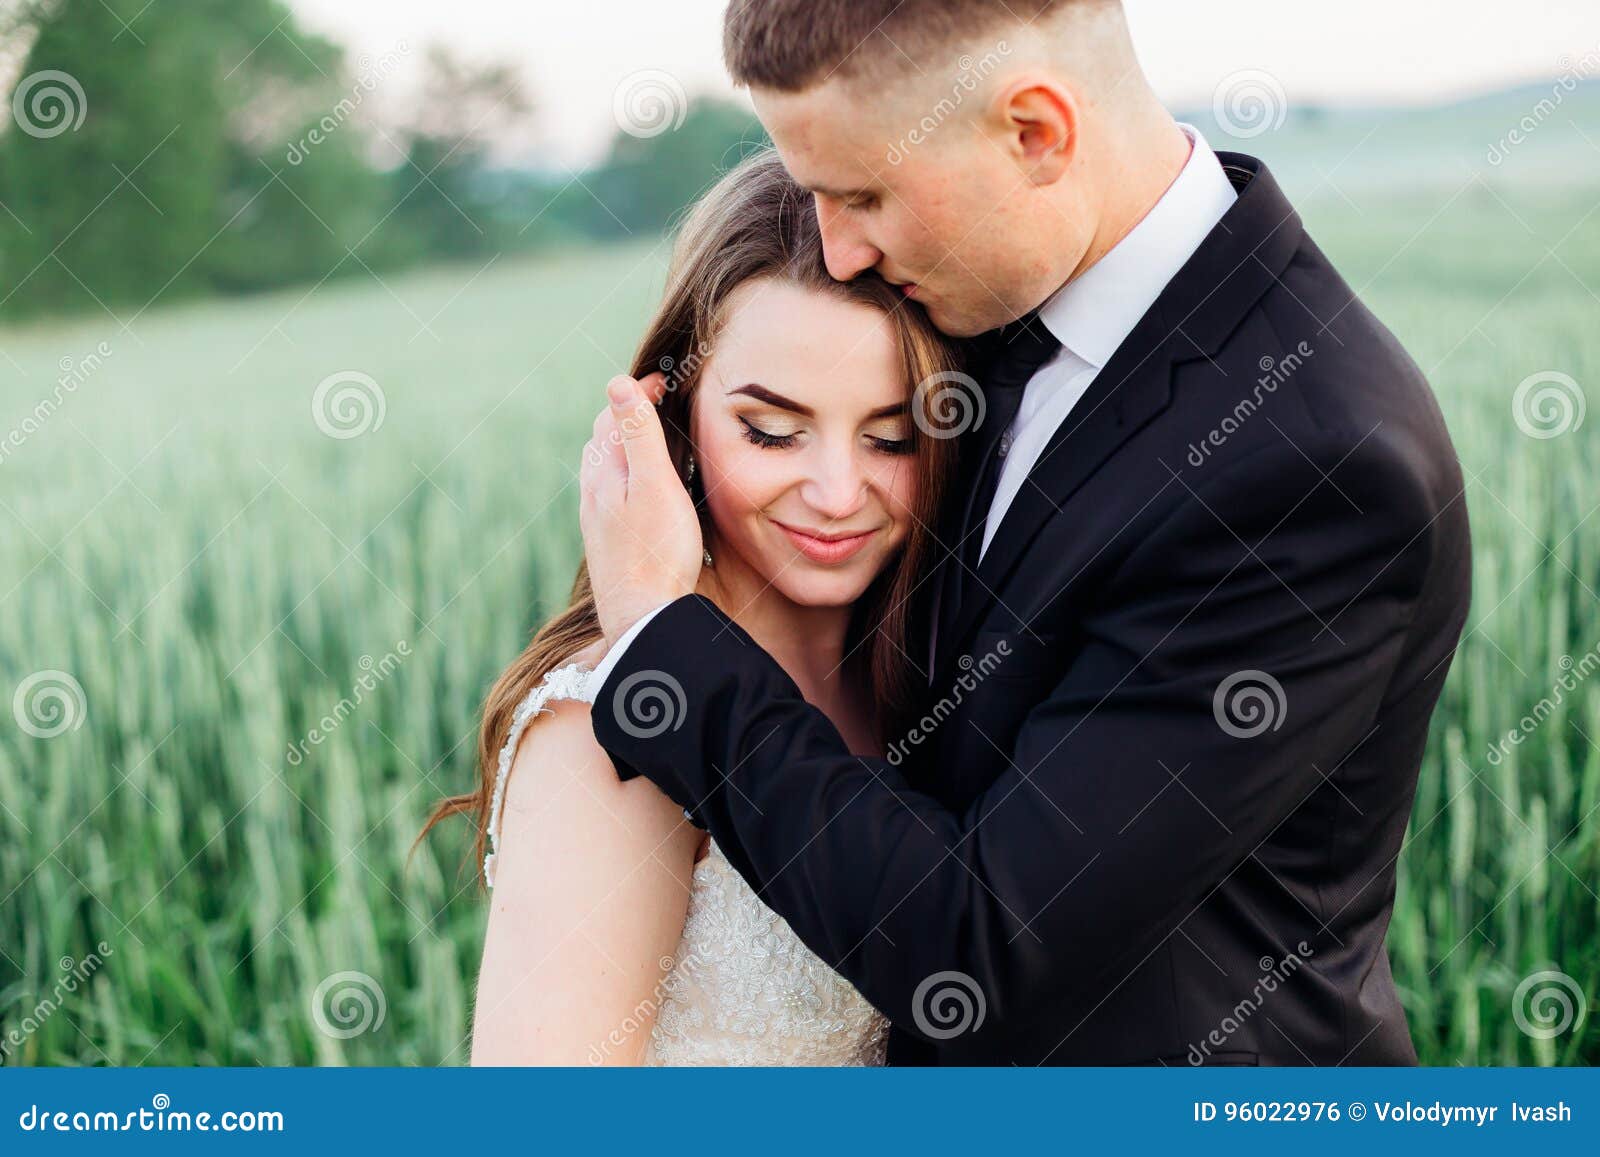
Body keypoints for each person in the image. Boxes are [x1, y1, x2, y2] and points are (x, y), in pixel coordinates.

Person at [578, 0, 1472, 1065]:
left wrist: (668, 644)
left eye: (862, 194)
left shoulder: (1309, 463)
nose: (839, 249)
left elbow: (983, 948)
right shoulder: (980, 302)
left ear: (1035, 132)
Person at [422, 149, 965, 1064]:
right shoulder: (609, 730)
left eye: (891, 436)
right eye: (772, 430)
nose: (837, 492)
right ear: (672, 413)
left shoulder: (930, 666)